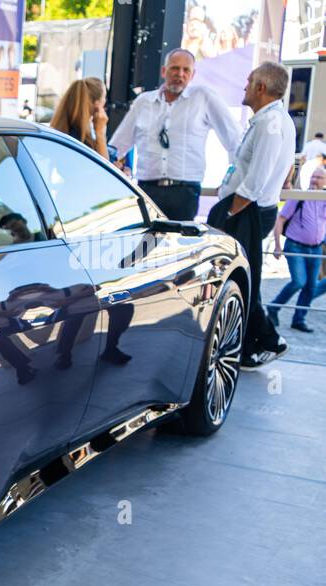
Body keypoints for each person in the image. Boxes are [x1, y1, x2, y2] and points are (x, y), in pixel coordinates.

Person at [207, 61, 295, 368]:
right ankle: (247, 347)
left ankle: (267, 339)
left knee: (241, 279)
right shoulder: (270, 121)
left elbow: (256, 181)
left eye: (249, 82)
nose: (244, 86)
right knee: (244, 278)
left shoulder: (271, 124)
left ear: (261, 87)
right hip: (247, 209)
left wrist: (227, 212)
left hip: (247, 211)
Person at [108, 48, 241, 221]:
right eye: (175, 68)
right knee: (146, 246)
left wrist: (233, 182)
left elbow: (234, 139)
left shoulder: (203, 98)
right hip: (147, 189)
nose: (180, 74)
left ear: (193, 74)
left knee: (178, 245)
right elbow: (116, 146)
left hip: (184, 192)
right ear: (164, 71)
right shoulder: (144, 102)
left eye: (186, 70)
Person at [271, 165, 326, 333]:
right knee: (299, 281)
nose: (314, 180)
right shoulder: (299, 196)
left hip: (316, 249)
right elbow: (280, 219)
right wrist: (277, 245)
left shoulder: (324, 199)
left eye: (318, 177)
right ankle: (273, 308)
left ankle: (299, 319)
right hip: (295, 246)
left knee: (310, 286)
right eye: (313, 176)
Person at [50, 78, 109, 159]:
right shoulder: (81, 141)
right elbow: (103, 168)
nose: (105, 101)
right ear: (97, 104)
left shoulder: (62, 132)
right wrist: (100, 132)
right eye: (104, 97)